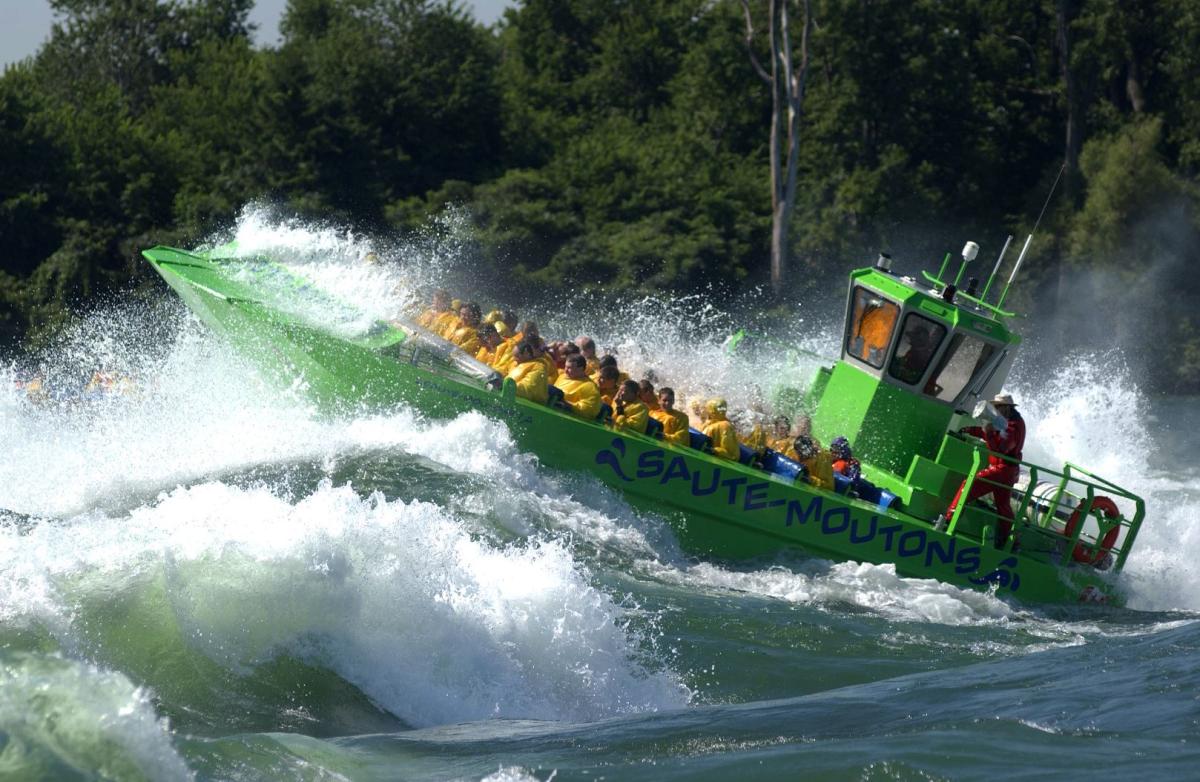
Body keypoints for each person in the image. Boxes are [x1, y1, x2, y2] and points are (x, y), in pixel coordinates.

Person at [939, 393, 1026, 548]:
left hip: (1002, 469)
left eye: (998, 406)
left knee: (969, 485)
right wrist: (969, 430)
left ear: (1007, 407)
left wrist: (988, 433)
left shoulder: (1014, 426)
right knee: (1003, 505)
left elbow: (1000, 449)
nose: (995, 409)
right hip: (1007, 471)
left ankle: (947, 520)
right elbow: (991, 433)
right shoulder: (1007, 421)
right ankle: (1012, 541)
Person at [554, 354, 602, 419]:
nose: (566, 370)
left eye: (570, 368)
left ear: (581, 368)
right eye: (565, 367)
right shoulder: (562, 376)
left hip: (569, 417)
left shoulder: (589, 386)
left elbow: (589, 410)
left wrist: (566, 404)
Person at [506, 339, 548, 404]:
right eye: (514, 356)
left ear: (526, 353)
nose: (514, 359)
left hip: (529, 405)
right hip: (509, 394)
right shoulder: (515, 363)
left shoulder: (539, 368)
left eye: (517, 356)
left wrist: (507, 386)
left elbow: (527, 390)